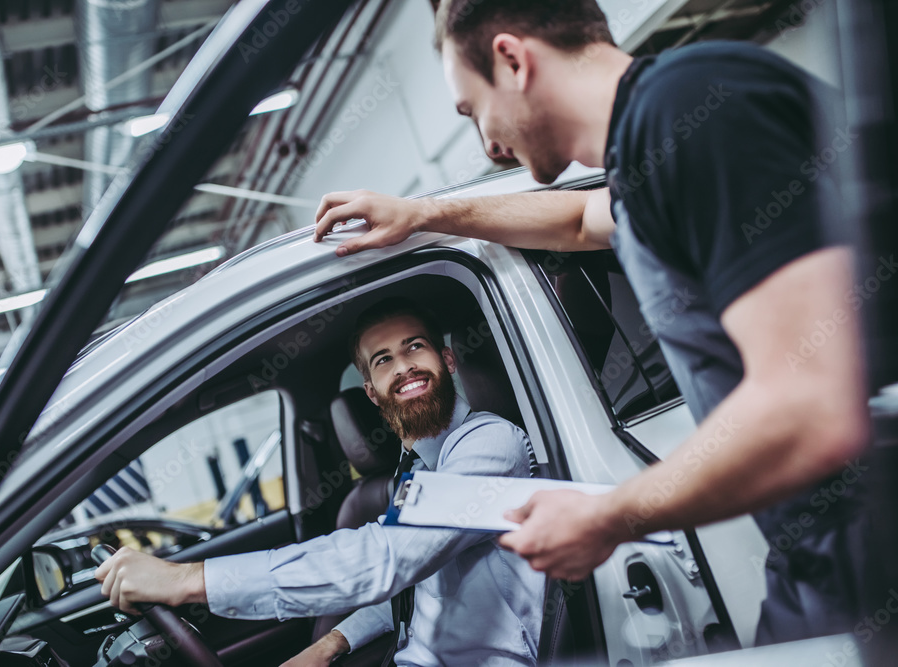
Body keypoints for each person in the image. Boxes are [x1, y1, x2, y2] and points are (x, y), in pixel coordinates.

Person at [312, 0, 870, 646]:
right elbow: (577, 221)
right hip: (817, 553)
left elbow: (808, 411)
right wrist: (422, 213)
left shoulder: (697, 108)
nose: (488, 143)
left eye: (472, 111)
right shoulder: (650, 150)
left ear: (513, 60)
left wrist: (608, 516)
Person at [95, 297, 546, 666]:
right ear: (371, 391)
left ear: (446, 359)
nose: (403, 367)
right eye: (384, 359)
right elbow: (410, 587)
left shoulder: (490, 445)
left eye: (415, 347)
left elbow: (386, 558)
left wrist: (187, 580)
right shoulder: (417, 470)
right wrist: (332, 643)